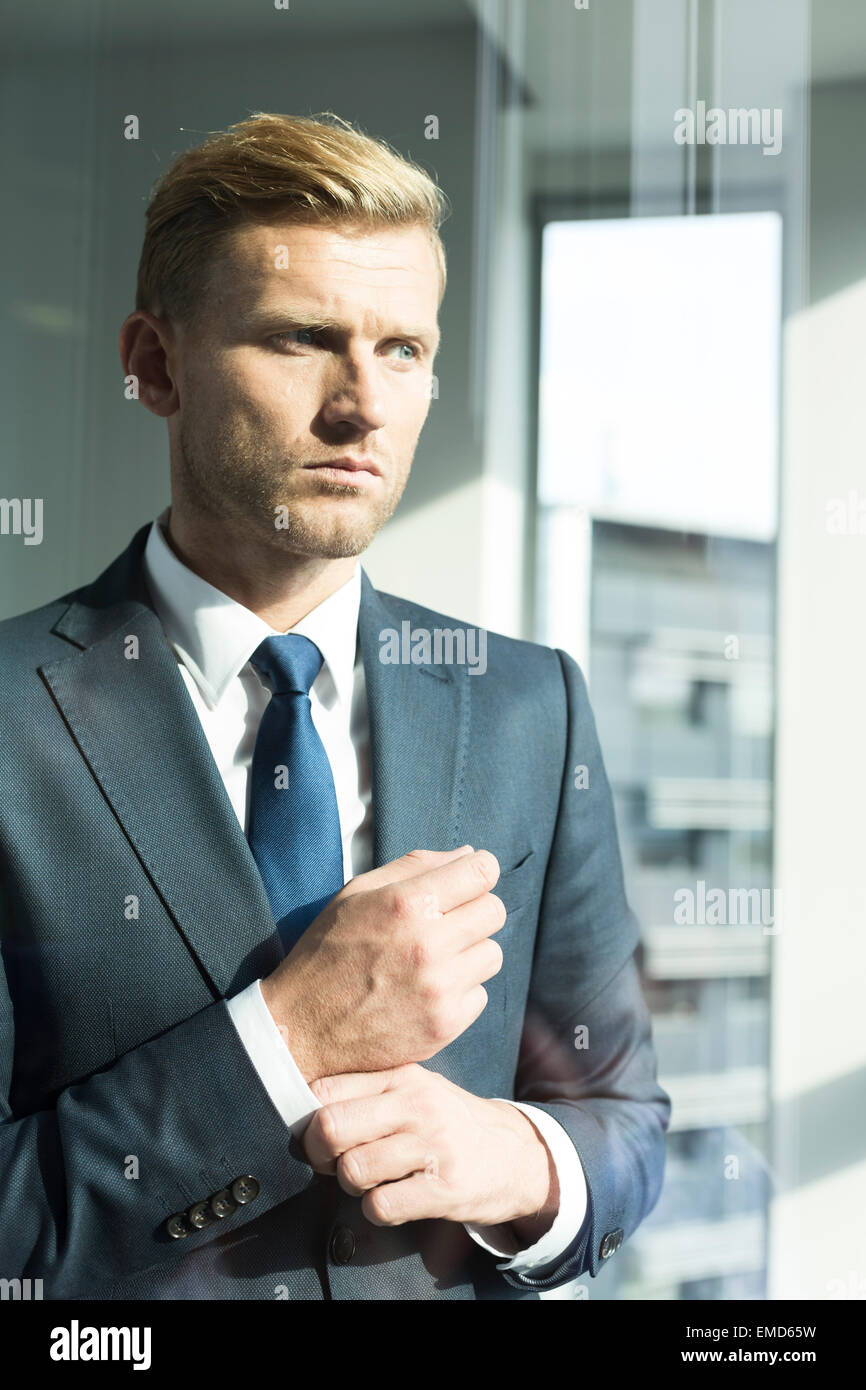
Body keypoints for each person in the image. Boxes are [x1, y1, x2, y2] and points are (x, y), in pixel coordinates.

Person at [0, 111, 670, 1300]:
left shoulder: (529, 705)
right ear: (154, 363)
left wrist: (523, 1159)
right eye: (305, 340)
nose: (364, 406)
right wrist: (283, 1039)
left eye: (403, 349)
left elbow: (620, 1113)